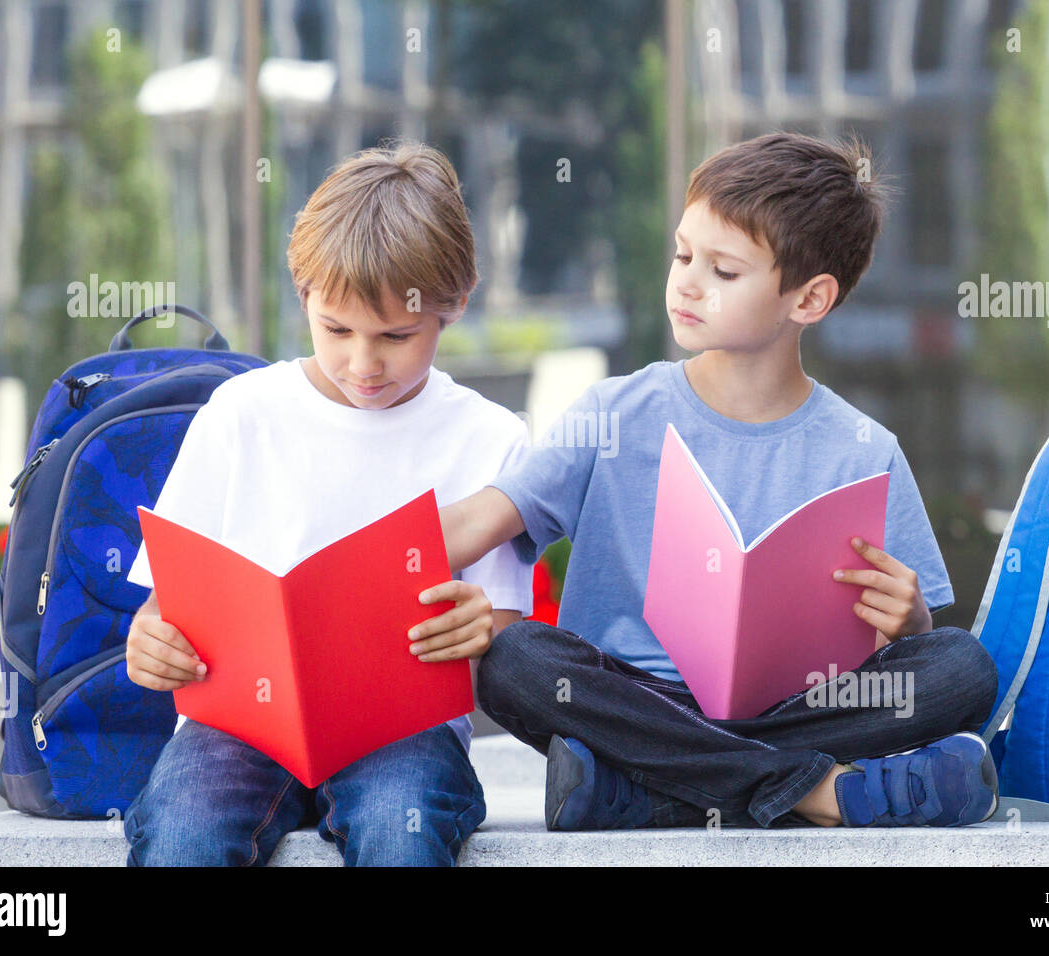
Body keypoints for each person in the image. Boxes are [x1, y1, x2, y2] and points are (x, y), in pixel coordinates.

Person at [427, 131, 1000, 831]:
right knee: (513, 659)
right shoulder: (614, 413)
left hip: (792, 706)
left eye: (724, 271)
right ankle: (820, 793)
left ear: (810, 299)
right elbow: (477, 521)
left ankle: (651, 792)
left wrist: (906, 624)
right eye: (682, 254)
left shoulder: (865, 451)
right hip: (633, 700)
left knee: (961, 669)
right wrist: (357, 565)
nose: (688, 283)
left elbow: (900, 654)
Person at [121, 141, 532, 866]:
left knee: (402, 832)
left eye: (396, 337)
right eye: (336, 329)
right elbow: (164, 609)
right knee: (183, 834)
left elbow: (493, 648)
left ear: (455, 303)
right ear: (303, 292)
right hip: (237, 723)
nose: (363, 364)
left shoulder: (490, 439)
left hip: (404, 731)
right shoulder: (240, 413)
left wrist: (481, 635)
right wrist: (151, 642)